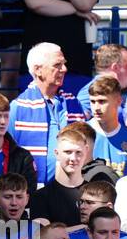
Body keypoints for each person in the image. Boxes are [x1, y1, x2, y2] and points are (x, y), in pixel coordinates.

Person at [8, 42, 87, 185]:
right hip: (32, 189)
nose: (64, 69)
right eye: (57, 65)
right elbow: (8, 153)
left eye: (64, 64)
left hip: (70, 188)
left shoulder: (73, 103)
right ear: (38, 70)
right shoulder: (17, 107)